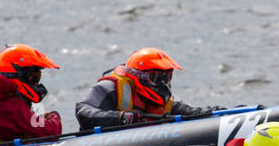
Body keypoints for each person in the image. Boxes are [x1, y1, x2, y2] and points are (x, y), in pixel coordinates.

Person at [75, 47, 219, 129]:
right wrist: (120, 118)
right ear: (139, 76)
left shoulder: (166, 103)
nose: (163, 83)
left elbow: (192, 113)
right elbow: (83, 111)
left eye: (166, 77)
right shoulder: (111, 88)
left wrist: (219, 112)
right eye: (157, 78)